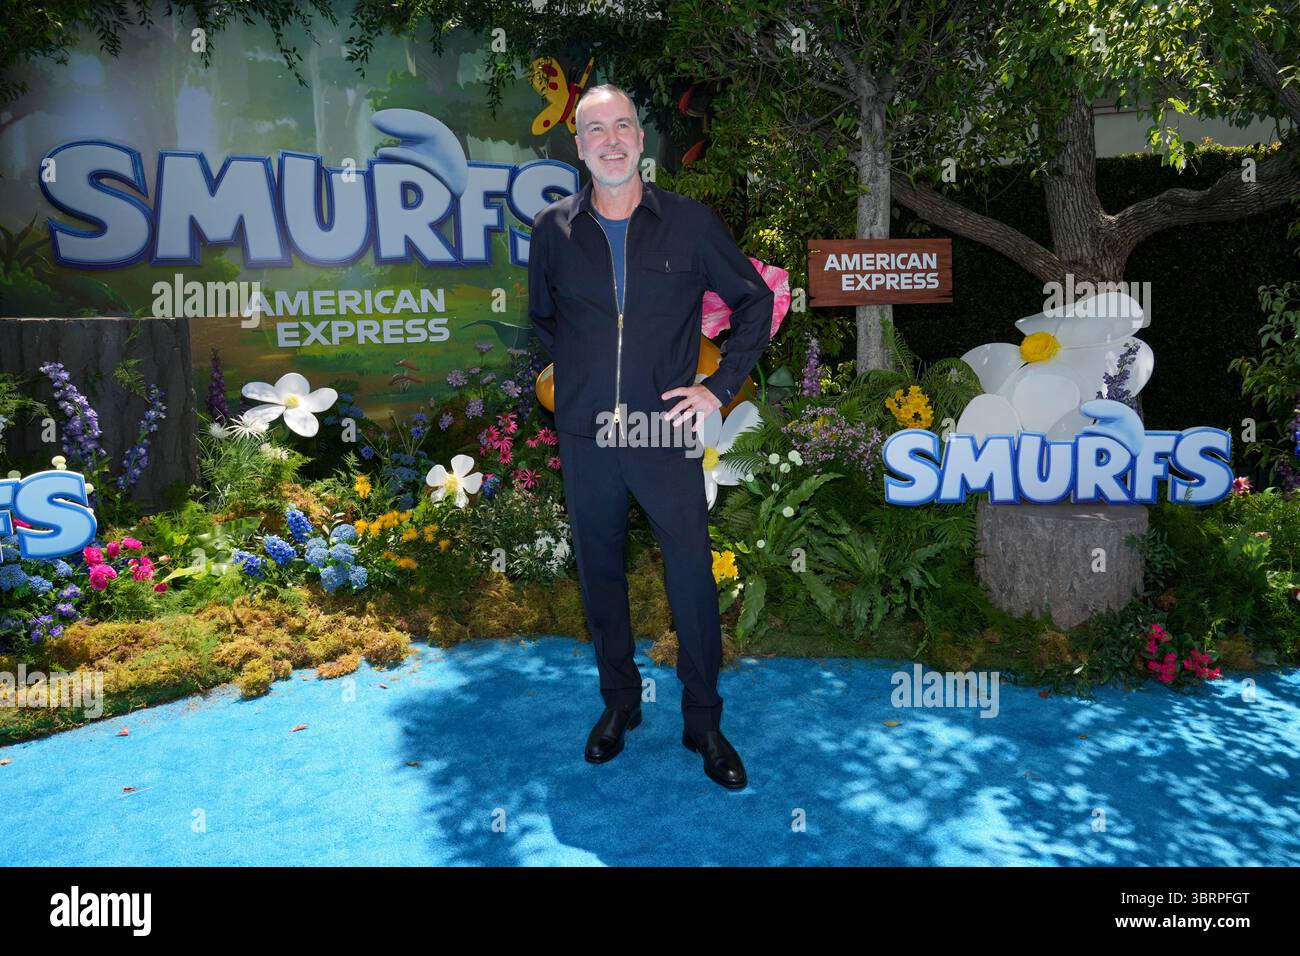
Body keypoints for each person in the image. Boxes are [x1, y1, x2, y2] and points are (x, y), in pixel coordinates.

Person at [527, 83, 773, 790]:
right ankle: (620, 705)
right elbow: (547, 320)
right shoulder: (552, 231)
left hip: (663, 430)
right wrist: (583, 379)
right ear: (577, 146)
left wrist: (717, 388)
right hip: (586, 432)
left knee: (690, 576)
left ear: (641, 137)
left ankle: (703, 719)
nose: (610, 139)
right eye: (594, 129)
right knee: (600, 574)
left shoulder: (691, 225)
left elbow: (755, 303)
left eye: (623, 125)